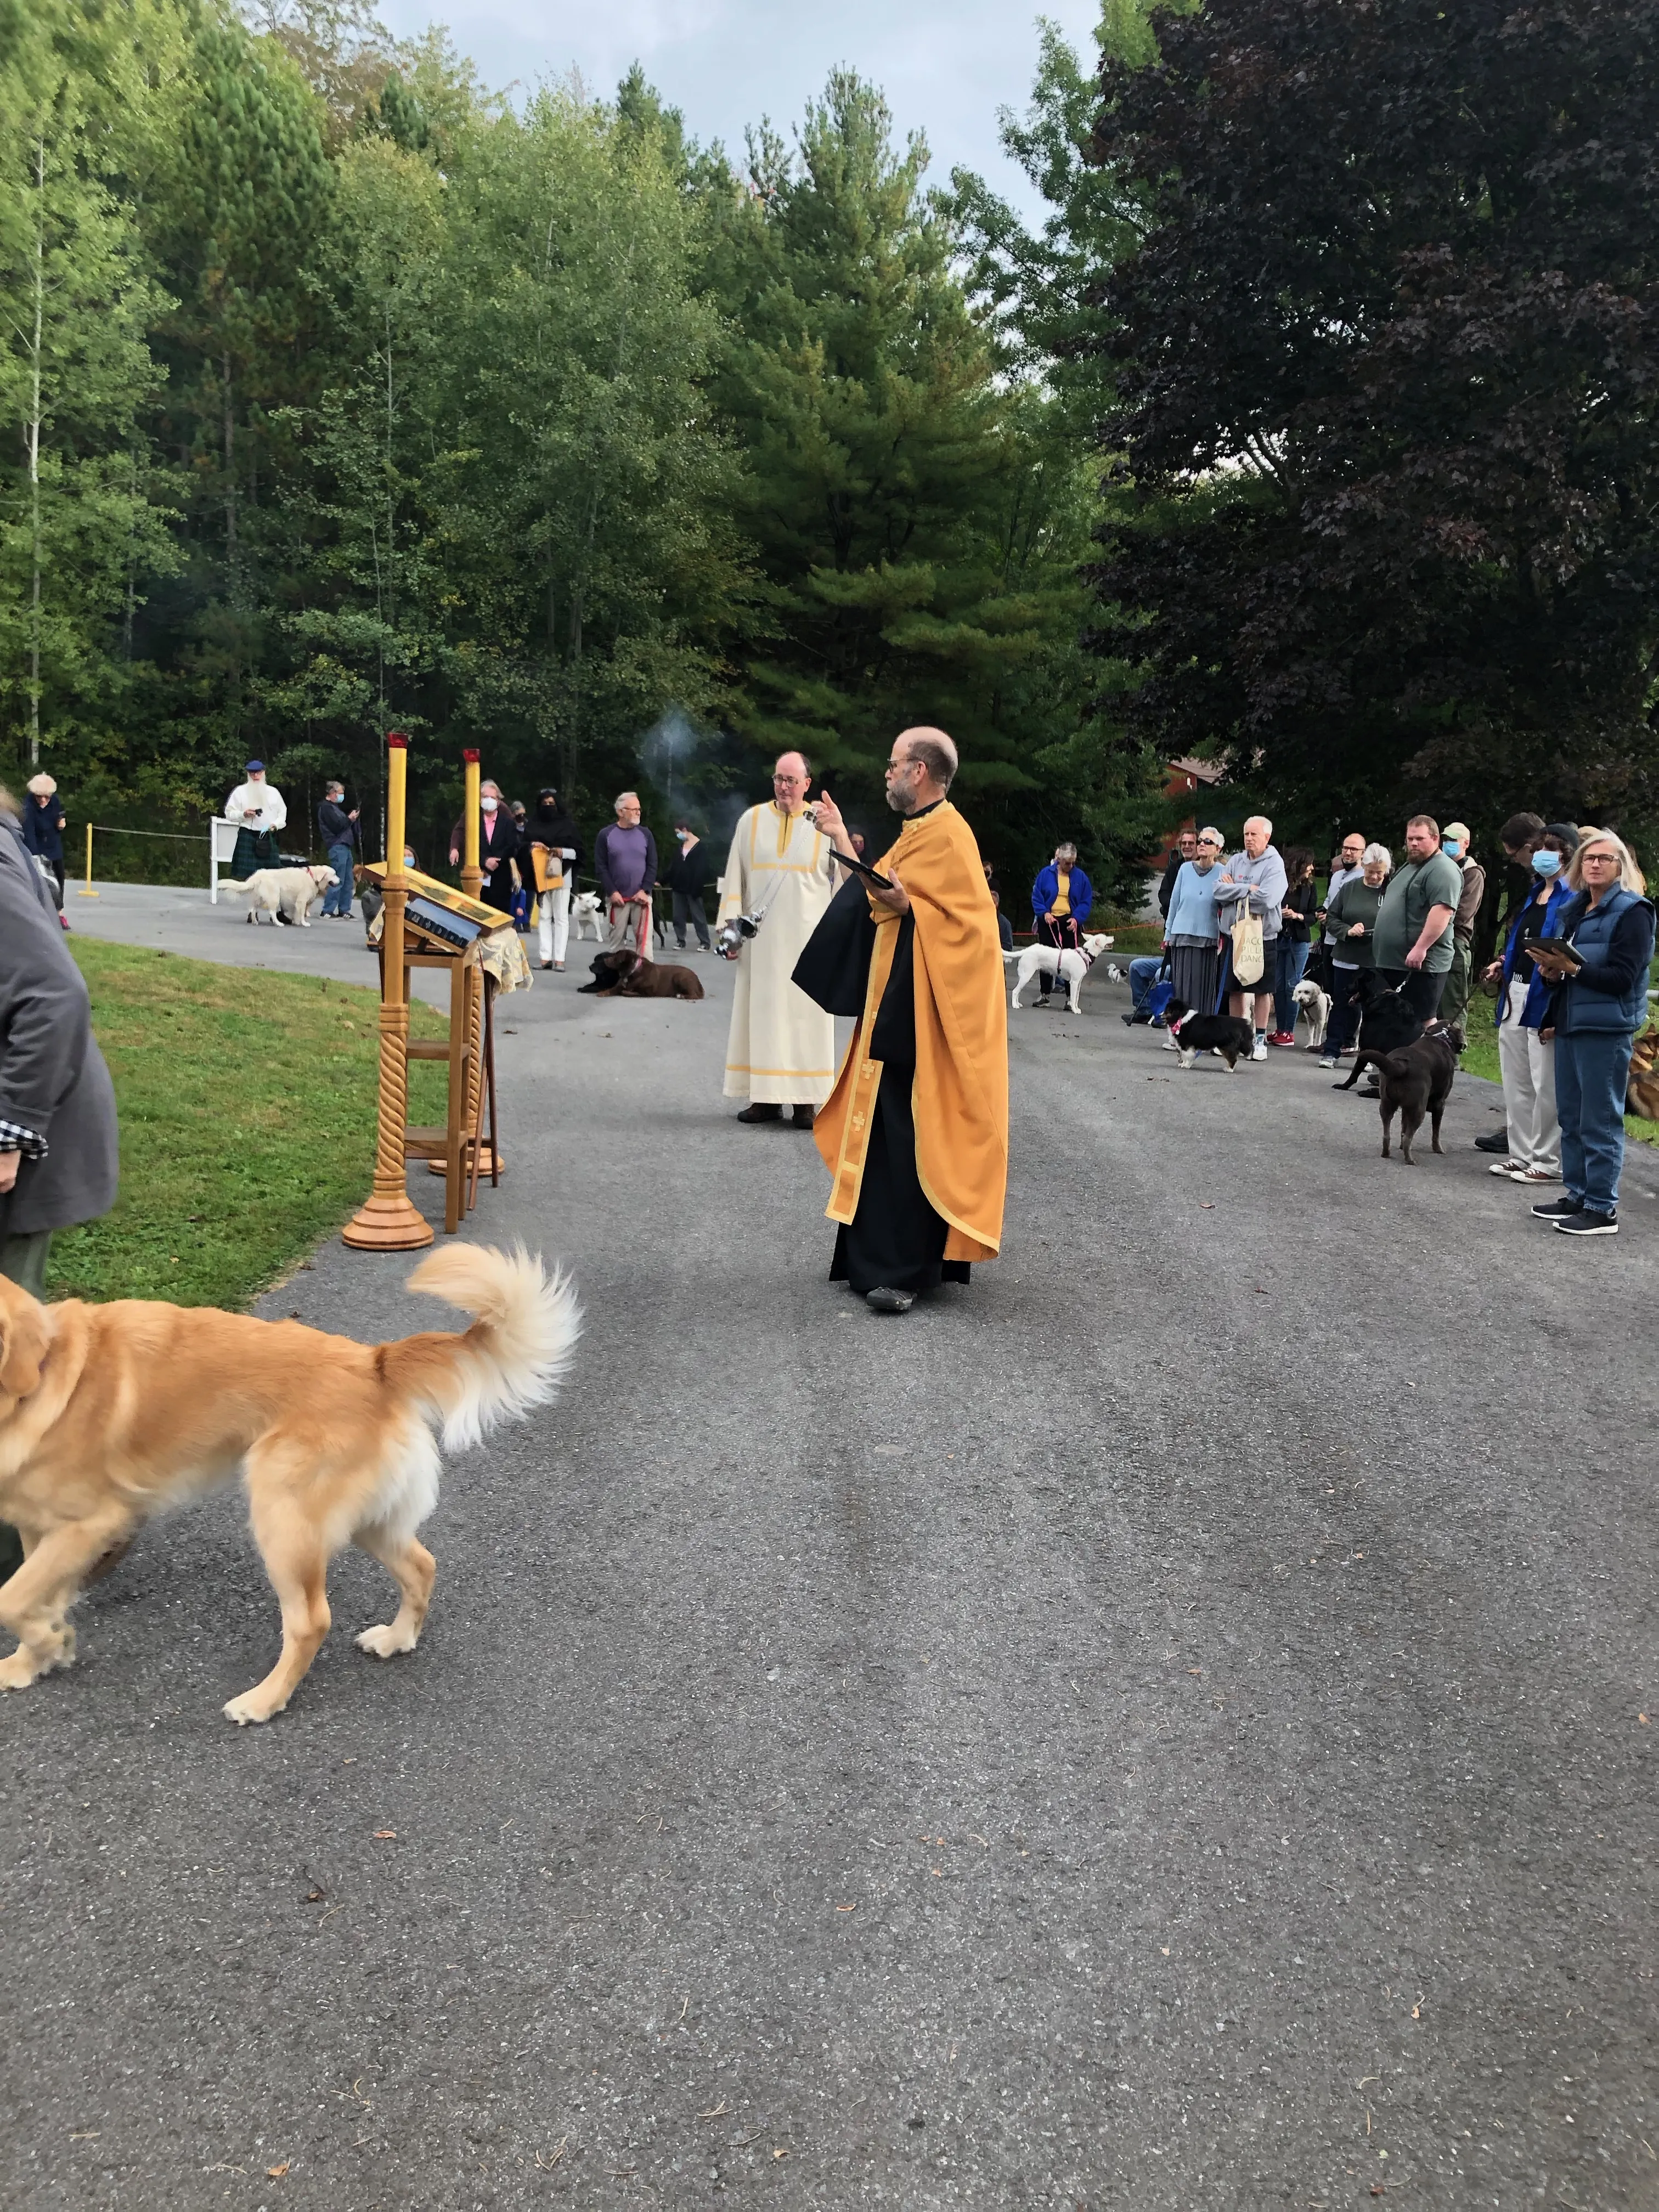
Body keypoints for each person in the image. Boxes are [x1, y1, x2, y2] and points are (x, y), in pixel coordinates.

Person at [800, 729, 1007, 1314]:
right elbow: (879, 895)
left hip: (928, 1019)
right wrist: (842, 838)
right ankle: (870, 1260)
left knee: (912, 1136)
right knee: (885, 1135)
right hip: (897, 1005)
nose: (886, 773)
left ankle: (906, 1272)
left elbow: (972, 931)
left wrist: (913, 907)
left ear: (919, 770)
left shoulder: (950, 835)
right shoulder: (917, 832)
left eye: (893, 764)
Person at [0, 788, 120, 1582]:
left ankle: (54, 1543)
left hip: (22, 1131)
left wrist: (10, 1125)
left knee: (13, 1361)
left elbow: (53, 996)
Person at [1526, 829, 1656, 1238]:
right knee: (1571, 1116)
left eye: (1605, 859)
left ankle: (1603, 1208)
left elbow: (1623, 977)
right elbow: (1571, 973)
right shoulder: (1576, 911)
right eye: (1588, 859)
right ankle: (1579, 1194)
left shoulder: (1634, 912)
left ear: (1622, 868)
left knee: (1599, 1119)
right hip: (1571, 1022)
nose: (1595, 864)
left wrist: (1574, 970)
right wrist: (1551, 974)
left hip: (1606, 1028)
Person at [717, 752, 838, 1127]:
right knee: (764, 1018)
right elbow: (735, 878)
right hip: (763, 945)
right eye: (778, 779)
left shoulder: (823, 825)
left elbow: (842, 885)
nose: (784, 787)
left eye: (791, 780)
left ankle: (806, 1103)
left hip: (810, 942)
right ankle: (765, 1100)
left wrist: (838, 938)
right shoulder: (751, 821)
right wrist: (729, 932)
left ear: (807, 784)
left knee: (807, 1021)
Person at [1481, 822, 1579, 1188]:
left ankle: (1547, 1161)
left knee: (1545, 1083)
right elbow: (1523, 942)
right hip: (1515, 992)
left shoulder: (1572, 898)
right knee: (1517, 1081)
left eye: (1551, 848)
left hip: (1545, 996)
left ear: (1568, 855)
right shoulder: (1534, 893)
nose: (1541, 855)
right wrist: (1504, 963)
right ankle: (1520, 1154)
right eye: (1539, 847)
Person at [1370, 814, 1462, 1020]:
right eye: (1410, 838)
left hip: (1421, 965)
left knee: (1420, 1022)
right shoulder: (1411, 865)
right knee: (1395, 1023)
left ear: (1436, 839)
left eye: (1420, 839)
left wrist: (1421, 948)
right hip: (1394, 962)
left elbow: (1443, 911)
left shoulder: (1443, 869)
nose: (1413, 843)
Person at [1214, 816, 1288, 1059]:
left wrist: (1233, 889)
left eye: (1254, 834)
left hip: (1262, 936)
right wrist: (1247, 889)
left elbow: (1267, 900)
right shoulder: (1236, 860)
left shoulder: (1275, 865)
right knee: (1235, 989)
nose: (1248, 839)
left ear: (1267, 837)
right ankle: (1236, 1038)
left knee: (1261, 989)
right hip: (1235, 934)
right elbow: (1217, 891)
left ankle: (1259, 1040)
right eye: (1246, 834)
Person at [1318, 843, 1390, 1068]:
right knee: (1341, 1003)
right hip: (1348, 955)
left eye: (1380, 872)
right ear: (1364, 867)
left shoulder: (1392, 891)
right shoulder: (1349, 888)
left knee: (1375, 1008)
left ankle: (1370, 1054)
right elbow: (1331, 918)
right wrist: (1347, 931)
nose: (1376, 876)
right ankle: (1331, 1051)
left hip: (1377, 959)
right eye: (1371, 872)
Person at [1161, 825, 1226, 1019]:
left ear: (1218, 849)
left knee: (1204, 988)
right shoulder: (1185, 869)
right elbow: (1174, 903)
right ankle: (1180, 1034)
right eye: (1201, 841)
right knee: (1182, 987)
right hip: (1182, 934)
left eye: (1208, 842)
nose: (1202, 845)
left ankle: (1202, 1034)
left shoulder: (1224, 872)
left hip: (1208, 937)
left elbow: (1226, 904)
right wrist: (1168, 934)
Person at [593, 790, 658, 958]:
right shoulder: (605, 835)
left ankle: (645, 982)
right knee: (616, 945)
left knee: (644, 944)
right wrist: (612, 892)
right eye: (634, 809)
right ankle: (616, 981)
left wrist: (645, 890)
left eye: (639, 809)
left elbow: (653, 865)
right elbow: (601, 867)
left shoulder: (646, 834)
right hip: (617, 899)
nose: (638, 812)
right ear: (621, 812)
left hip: (642, 898)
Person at [1437, 821, 1486, 1037]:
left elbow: (1463, 913)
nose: (1447, 844)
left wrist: (1435, 918)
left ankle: (1453, 1050)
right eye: (1445, 839)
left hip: (1456, 940)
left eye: (1452, 840)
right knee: (1435, 1000)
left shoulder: (1473, 873)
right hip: (1435, 940)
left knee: (1453, 1002)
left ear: (1466, 843)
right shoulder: (1440, 868)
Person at [1029, 842, 1094, 1006]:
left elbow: (1086, 901)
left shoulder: (1080, 877)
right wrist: (1044, 913)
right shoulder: (1046, 874)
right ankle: (1045, 995)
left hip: (1069, 921)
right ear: (1059, 860)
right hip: (1049, 920)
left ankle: (1070, 999)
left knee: (1071, 959)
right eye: (1067, 863)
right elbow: (1037, 896)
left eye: (1073, 862)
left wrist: (1077, 918)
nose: (1070, 866)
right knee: (1046, 957)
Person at [448, 778, 522, 916]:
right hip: (478, 874)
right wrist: (455, 849)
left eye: (492, 798)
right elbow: (460, 832)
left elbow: (512, 845)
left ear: (498, 801)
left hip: (501, 877)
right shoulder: (472, 816)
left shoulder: (506, 818)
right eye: (485, 797)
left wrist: (497, 861)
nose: (489, 800)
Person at [528, 787, 582, 970]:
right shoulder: (534, 824)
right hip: (540, 875)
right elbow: (521, 846)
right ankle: (545, 957)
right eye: (545, 804)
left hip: (562, 875)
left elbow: (578, 853)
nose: (548, 807)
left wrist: (561, 852)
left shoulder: (568, 825)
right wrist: (533, 846)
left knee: (561, 918)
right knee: (544, 916)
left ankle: (560, 959)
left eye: (552, 804)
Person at [1271, 849, 1318, 1043]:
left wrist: (1297, 916)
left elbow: (1313, 915)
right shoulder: (1280, 884)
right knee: (1278, 985)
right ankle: (1280, 1028)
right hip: (1279, 937)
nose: (1312, 868)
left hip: (1298, 940)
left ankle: (1288, 1031)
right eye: (1309, 864)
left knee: (1292, 985)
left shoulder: (1310, 887)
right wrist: (1279, 914)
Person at [224, 761, 287, 878]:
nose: (255, 776)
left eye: (258, 773)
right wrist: (243, 814)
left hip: (268, 835)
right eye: (252, 773)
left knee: (272, 876)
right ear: (248, 774)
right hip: (247, 835)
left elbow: (282, 814)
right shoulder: (240, 792)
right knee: (246, 876)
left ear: (263, 773)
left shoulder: (274, 793)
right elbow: (229, 813)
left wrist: (275, 825)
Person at [668, 819, 714, 951]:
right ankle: (680, 940)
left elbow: (702, 870)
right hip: (678, 887)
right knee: (678, 916)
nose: (678, 835)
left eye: (678, 832)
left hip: (693, 888)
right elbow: (673, 867)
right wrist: (662, 879)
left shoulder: (700, 847)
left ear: (685, 830)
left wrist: (697, 888)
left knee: (698, 916)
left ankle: (705, 942)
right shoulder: (680, 847)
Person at [21, 774, 66, 902]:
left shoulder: (55, 801)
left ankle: (59, 913)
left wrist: (61, 826)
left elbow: (59, 820)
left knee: (59, 880)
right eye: (39, 796)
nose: (43, 800)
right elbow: (29, 834)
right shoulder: (28, 807)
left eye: (47, 797)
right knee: (40, 882)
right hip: (37, 848)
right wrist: (35, 858)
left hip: (53, 846)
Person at [317, 780, 358, 918]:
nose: (342, 796)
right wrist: (350, 819)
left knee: (348, 880)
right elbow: (336, 827)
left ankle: (344, 909)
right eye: (340, 793)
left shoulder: (335, 808)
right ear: (332, 793)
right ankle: (328, 910)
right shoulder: (326, 808)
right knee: (337, 879)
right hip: (336, 846)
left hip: (345, 846)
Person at [1157, 828, 1198, 919]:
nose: (1187, 846)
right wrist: (1175, 905)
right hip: (1173, 921)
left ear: (1198, 846)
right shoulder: (1174, 868)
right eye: (1184, 843)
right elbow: (1163, 893)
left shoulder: (1204, 869)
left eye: (1191, 843)